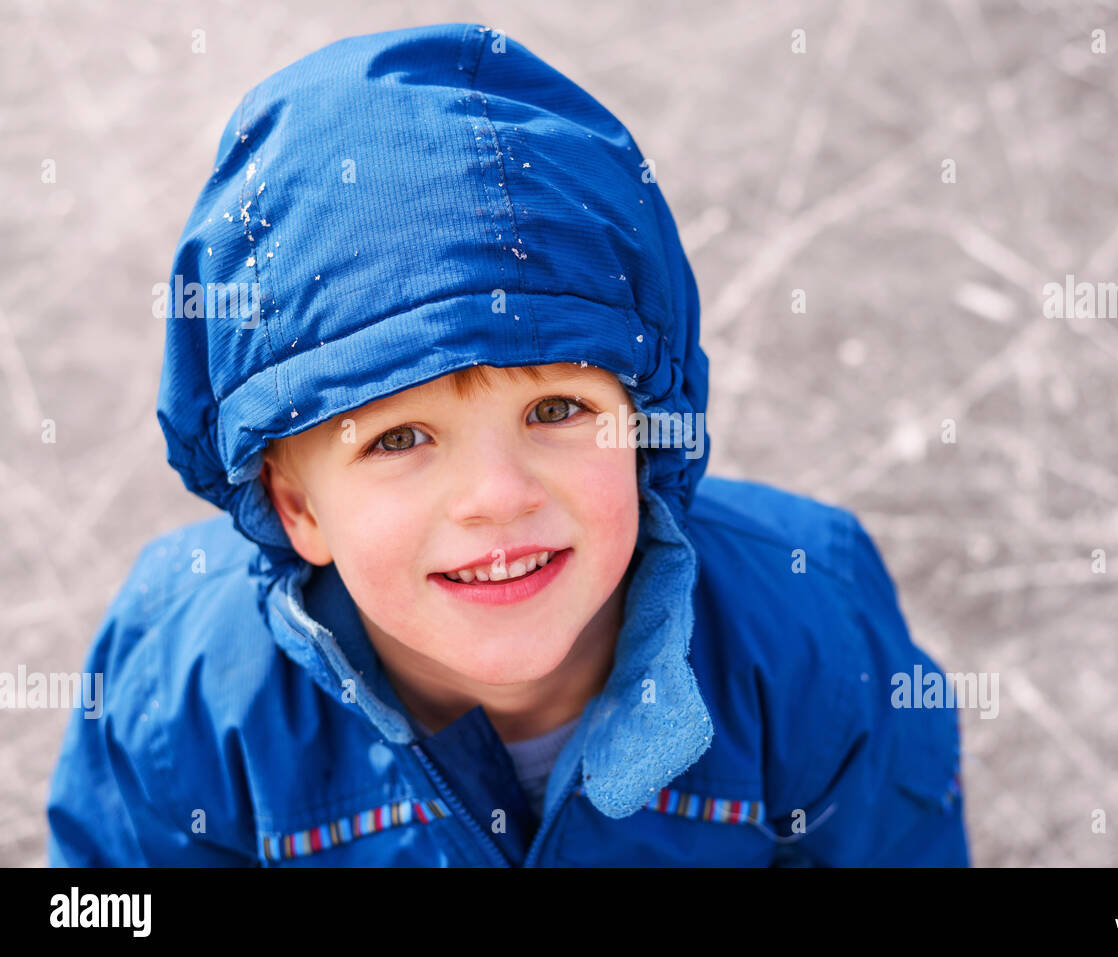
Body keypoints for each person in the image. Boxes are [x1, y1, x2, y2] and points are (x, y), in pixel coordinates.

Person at [46, 22, 970, 866]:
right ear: (296, 506)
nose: (497, 493)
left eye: (557, 411)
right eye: (400, 437)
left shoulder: (809, 628)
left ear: (644, 419)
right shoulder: (184, 689)